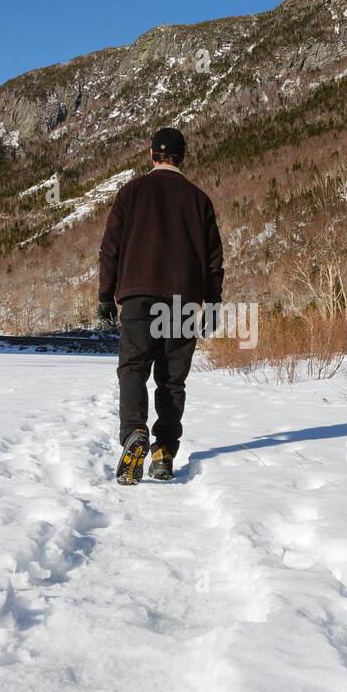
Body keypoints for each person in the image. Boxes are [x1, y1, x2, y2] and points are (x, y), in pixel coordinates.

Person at [97, 127, 224, 484]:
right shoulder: (199, 200)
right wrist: (212, 304)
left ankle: (135, 433)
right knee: (171, 381)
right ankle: (164, 451)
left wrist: (106, 296)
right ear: (182, 157)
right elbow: (214, 262)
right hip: (183, 301)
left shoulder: (131, 193)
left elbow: (111, 249)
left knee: (134, 369)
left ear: (152, 155)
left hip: (138, 296)